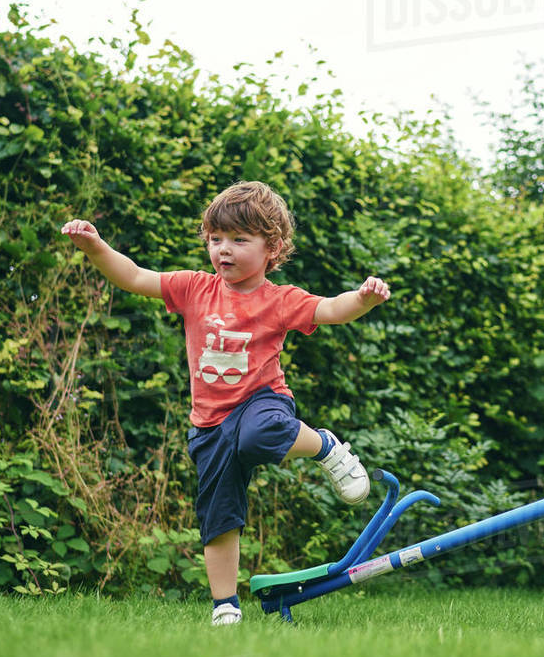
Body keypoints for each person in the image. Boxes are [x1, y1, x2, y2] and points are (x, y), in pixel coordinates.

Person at [60, 180, 390, 626]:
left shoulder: (280, 299)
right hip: (209, 424)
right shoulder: (195, 288)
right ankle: (225, 606)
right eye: (216, 239)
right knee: (218, 517)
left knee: (259, 434)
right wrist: (95, 247)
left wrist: (364, 300)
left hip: (262, 402)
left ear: (271, 248)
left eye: (239, 240)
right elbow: (136, 277)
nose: (224, 250)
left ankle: (326, 447)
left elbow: (331, 309)